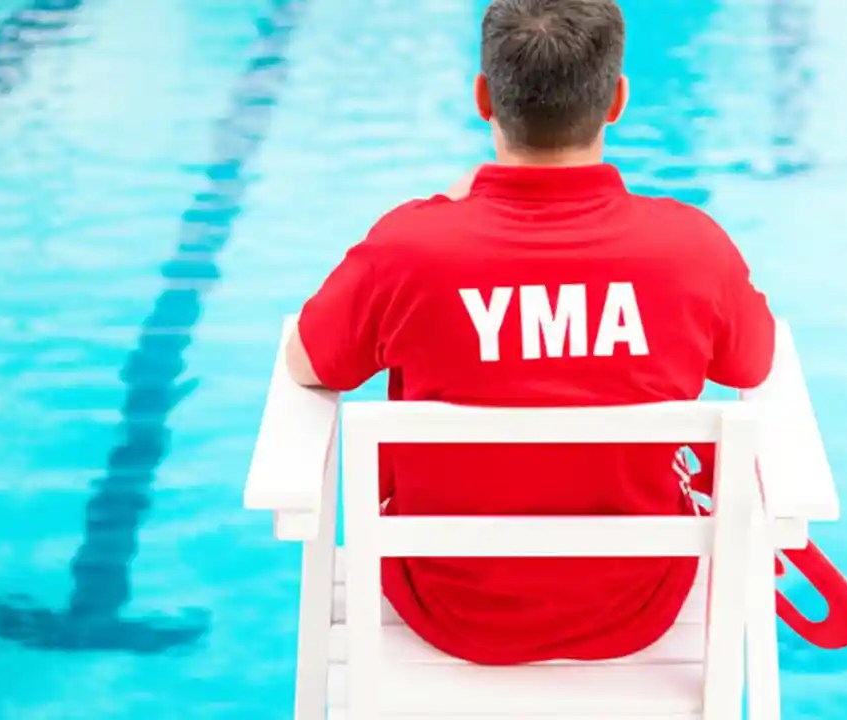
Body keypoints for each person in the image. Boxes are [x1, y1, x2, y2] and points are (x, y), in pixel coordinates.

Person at [286, 0, 775, 665]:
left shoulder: (410, 249)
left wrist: (444, 209)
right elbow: (753, 365)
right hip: (636, 604)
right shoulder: (692, 249)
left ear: (483, 97)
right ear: (617, 101)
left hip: (445, 604)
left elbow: (308, 362)